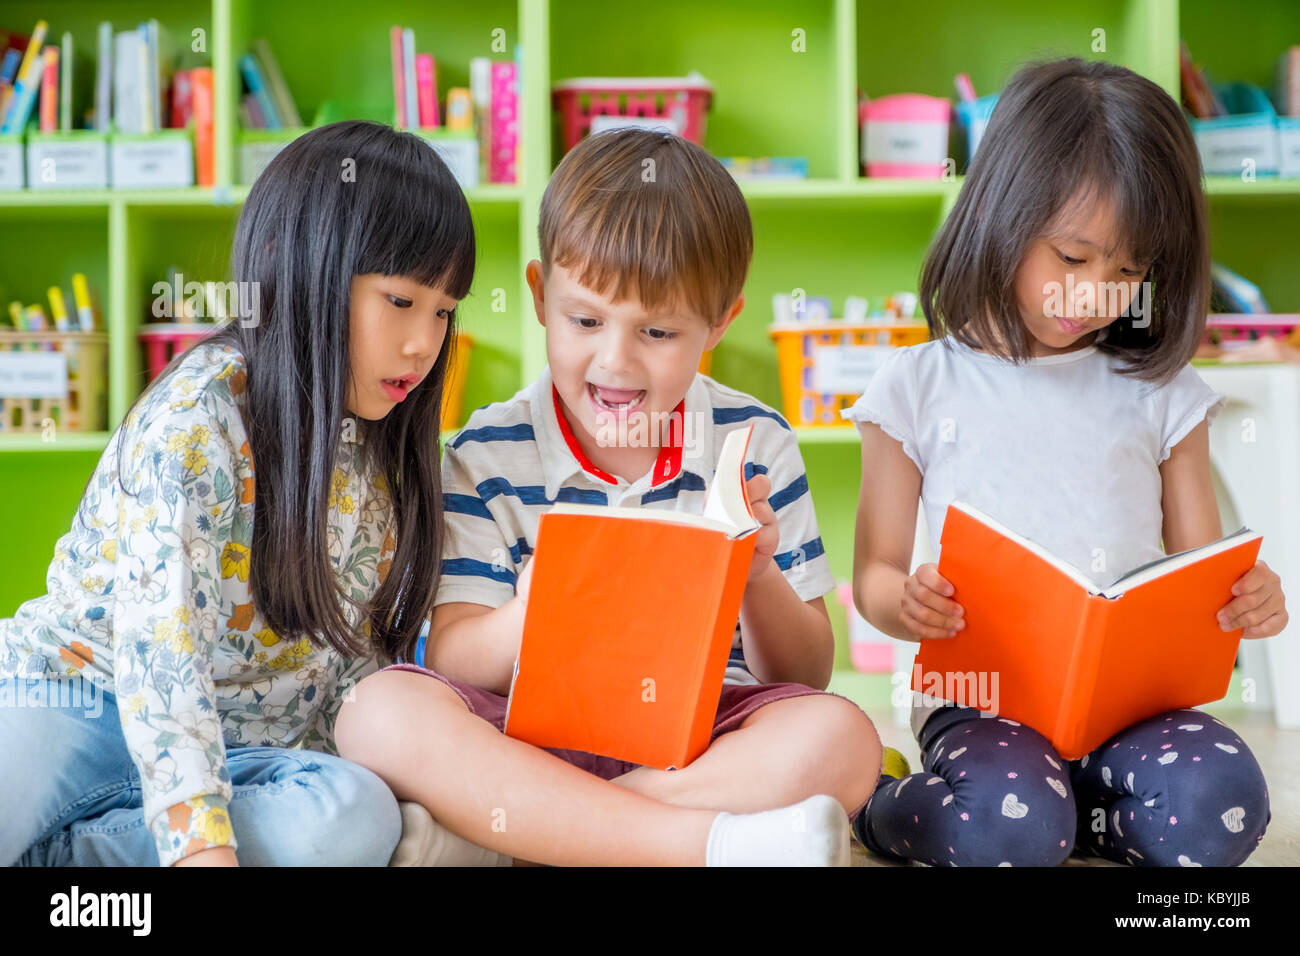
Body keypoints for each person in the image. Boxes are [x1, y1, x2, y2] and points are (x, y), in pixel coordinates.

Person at [335, 128, 882, 867]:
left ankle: (532, 839)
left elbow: (804, 672)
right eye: (585, 320)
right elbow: (458, 657)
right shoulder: (484, 452)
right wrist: (534, 615)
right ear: (539, 294)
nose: (615, 360)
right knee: (379, 711)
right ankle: (691, 844)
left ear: (720, 321)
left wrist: (758, 575)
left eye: (657, 330)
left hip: (696, 743)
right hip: (524, 738)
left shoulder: (756, 440)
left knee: (844, 738)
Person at [846, 58, 1287, 867]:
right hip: (981, 703)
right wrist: (906, 604)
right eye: (1074, 258)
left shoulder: (1163, 391)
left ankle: (1067, 817)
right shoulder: (915, 385)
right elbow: (872, 575)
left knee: (1222, 804)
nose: (1096, 294)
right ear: (1000, 218)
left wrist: (1245, 598)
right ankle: (880, 805)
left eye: (1128, 270)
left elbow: (1200, 573)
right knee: (1005, 828)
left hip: (1133, 708)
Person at [0, 120, 475, 866]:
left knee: (351, 817)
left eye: (444, 310)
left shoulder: (386, 453)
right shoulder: (198, 419)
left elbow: (352, 671)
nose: (425, 342)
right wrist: (200, 850)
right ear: (299, 275)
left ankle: (61, 860)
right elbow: (164, 655)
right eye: (400, 300)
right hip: (77, 700)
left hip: (243, 749)